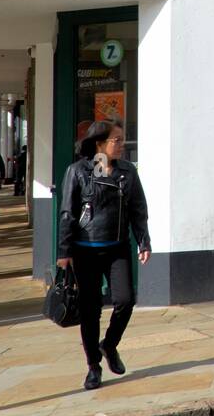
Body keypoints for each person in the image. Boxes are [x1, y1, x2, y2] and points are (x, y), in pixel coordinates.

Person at [56, 119, 151, 391]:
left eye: (122, 139)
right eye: (116, 140)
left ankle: (109, 345)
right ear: (99, 144)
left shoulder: (127, 172)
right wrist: (64, 251)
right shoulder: (78, 171)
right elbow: (67, 213)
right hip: (85, 251)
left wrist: (143, 241)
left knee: (125, 300)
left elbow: (138, 209)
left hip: (117, 247)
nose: (121, 145)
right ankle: (93, 366)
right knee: (90, 311)